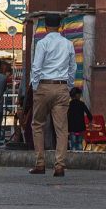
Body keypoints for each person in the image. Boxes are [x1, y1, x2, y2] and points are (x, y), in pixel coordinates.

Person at [28, 13, 76, 176]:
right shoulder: (68, 44)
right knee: (61, 128)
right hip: (61, 87)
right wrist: (68, 86)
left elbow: (36, 67)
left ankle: (40, 163)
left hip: (44, 86)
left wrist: (36, 87)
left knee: (38, 124)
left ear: (46, 27)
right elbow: (73, 68)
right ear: (61, 27)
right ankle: (59, 165)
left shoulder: (42, 43)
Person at [67, 86, 94, 151]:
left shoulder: (69, 104)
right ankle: (80, 157)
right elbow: (89, 114)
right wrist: (90, 121)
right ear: (77, 95)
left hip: (72, 128)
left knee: (73, 144)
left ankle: (73, 158)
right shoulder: (82, 104)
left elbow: (66, 115)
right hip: (80, 127)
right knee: (79, 143)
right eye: (80, 94)